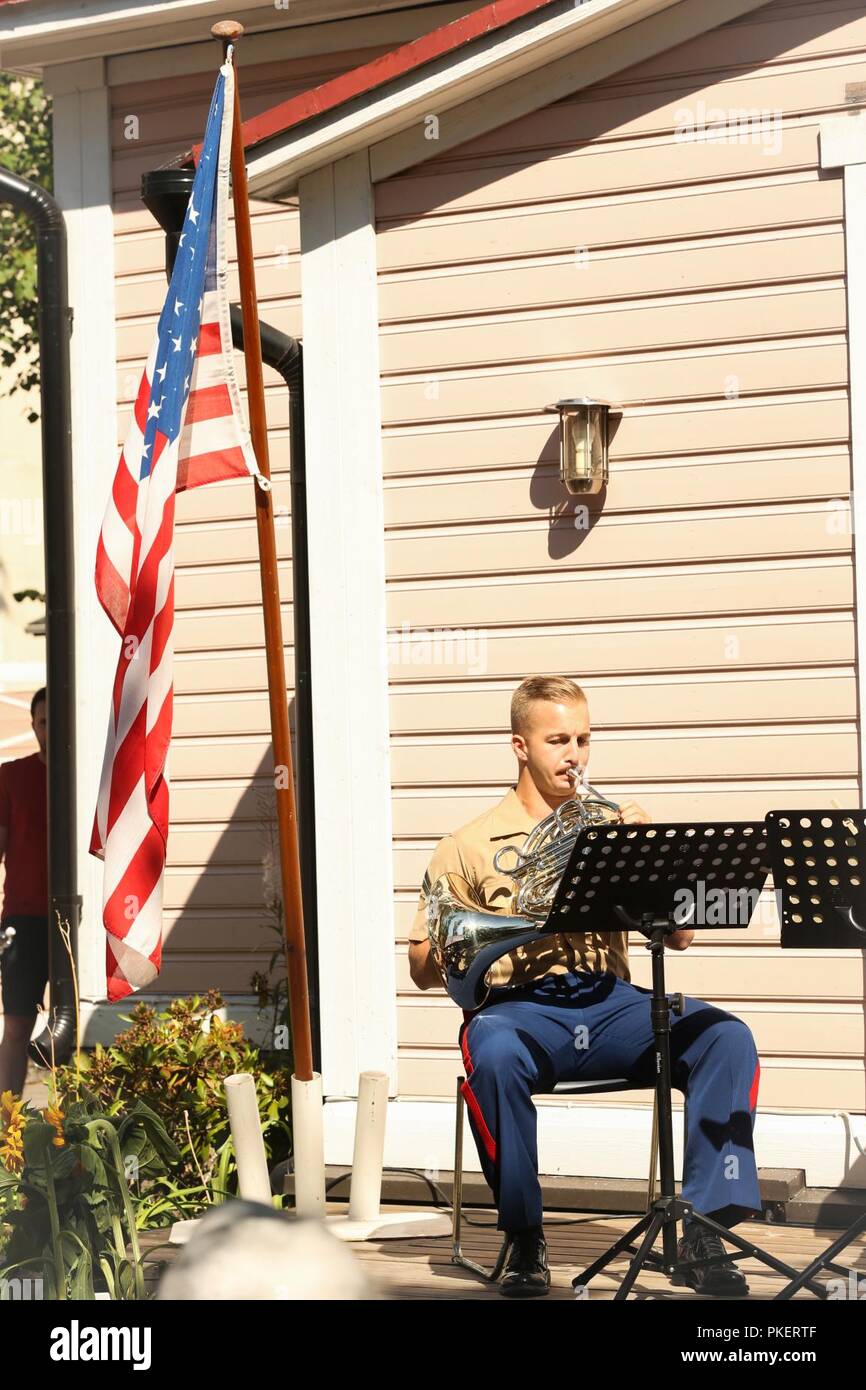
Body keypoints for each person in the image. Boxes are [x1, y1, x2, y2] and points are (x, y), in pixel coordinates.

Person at [408, 675, 761, 1298]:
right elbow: (421, 966)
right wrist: (479, 941)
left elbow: (678, 940)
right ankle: (524, 1238)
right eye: (558, 740)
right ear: (520, 746)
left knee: (726, 1038)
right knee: (489, 1051)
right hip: (521, 1011)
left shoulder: (615, 827)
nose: (575, 755)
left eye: (584, 740)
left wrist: (655, 872)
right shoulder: (464, 846)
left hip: (614, 1003)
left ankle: (706, 1227)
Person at [0, 687, 48, 1098]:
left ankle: (68, 1128)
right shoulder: (11, 776)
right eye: (43, 721)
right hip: (23, 917)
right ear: (34, 725)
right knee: (16, 1025)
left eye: (56, 721)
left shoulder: (81, 775)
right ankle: (8, 1131)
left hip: (76, 919)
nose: (49, 729)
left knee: (75, 1022)